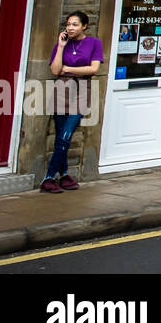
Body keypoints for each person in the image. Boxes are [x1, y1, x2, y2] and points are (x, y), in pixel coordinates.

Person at [43, 11, 103, 193]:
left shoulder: (94, 43)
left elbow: (93, 69)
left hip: (82, 90)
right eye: (68, 24)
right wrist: (61, 47)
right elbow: (55, 70)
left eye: (75, 24)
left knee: (66, 135)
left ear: (84, 26)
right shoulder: (62, 43)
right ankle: (64, 175)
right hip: (61, 90)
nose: (70, 27)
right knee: (60, 135)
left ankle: (48, 177)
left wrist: (68, 68)